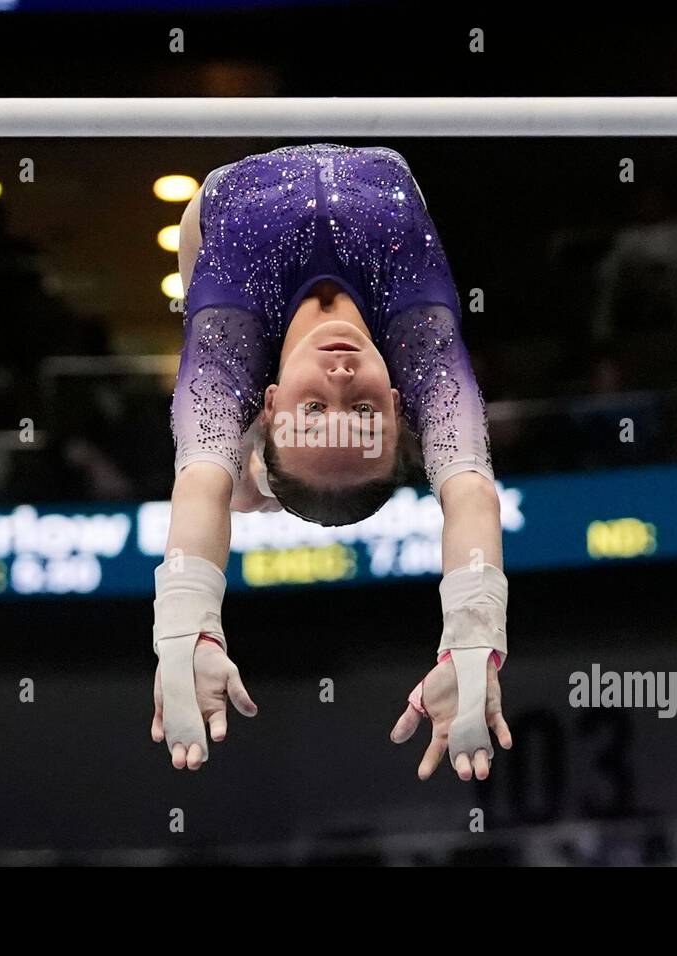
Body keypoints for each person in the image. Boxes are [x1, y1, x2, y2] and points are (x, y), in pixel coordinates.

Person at [151, 144, 510, 781]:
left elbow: (197, 484)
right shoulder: (423, 347)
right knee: (226, 477)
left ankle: (252, 474)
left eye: (313, 409)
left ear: (269, 403)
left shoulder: (229, 349)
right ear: (401, 406)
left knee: (214, 468)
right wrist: (473, 640)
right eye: (365, 409)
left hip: (215, 215)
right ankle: (259, 476)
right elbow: (472, 493)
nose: (341, 373)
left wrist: (187, 629)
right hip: (383, 171)